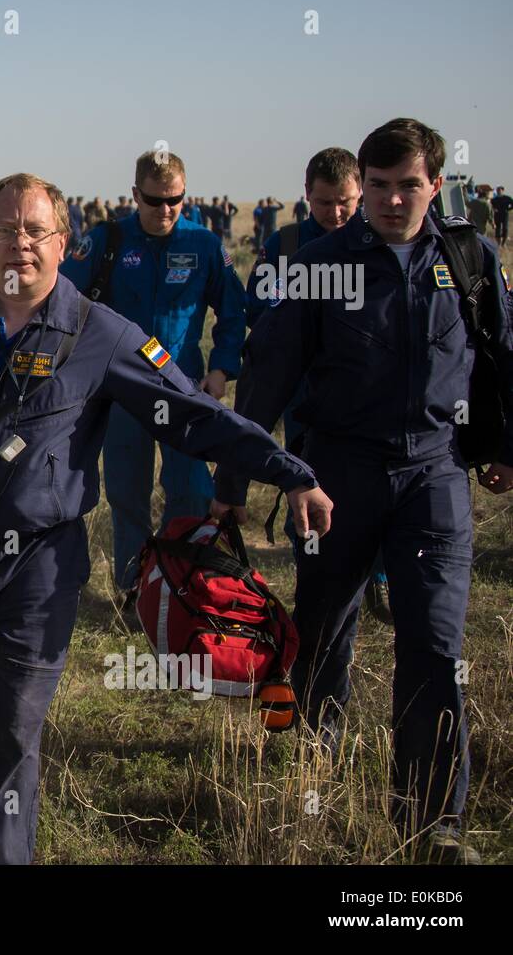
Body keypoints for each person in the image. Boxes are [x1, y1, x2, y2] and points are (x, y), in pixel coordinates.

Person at [0, 172, 330, 864]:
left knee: (11, 730)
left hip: (37, 570)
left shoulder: (101, 335)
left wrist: (289, 471)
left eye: (35, 230)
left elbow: (195, 416)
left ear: (62, 240)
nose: (19, 244)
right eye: (3, 229)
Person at [215, 118, 513, 863]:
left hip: (435, 476)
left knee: (435, 645)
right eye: (377, 186)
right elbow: (269, 377)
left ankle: (433, 823)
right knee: (321, 629)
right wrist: (232, 481)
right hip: (336, 476)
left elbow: (503, 356)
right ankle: (318, 758)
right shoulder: (318, 265)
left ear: (435, 185)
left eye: (407, 184)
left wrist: (504, 446)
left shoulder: (470, 258)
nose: (389, 200)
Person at [60, 149, 247, 606]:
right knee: (126, 493)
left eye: (175, 200)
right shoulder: (107, 241)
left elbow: (233, 310)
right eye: (154, 200)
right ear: (135, 194)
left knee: (191, 488)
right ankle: (134, 586)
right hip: (123, 390)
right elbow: (64, 296)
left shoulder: (204, 246)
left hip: (184, 389)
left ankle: (179, 578)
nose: (165, 210)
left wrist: (222, 368)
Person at [245, 147, 392, 624]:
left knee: (382, 492)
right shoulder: (286, 247)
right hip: (305, 397)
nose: (336, 213)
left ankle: (381, 579)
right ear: (306, 196)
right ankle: (314, 571)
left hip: (369, 396)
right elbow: (260, 315)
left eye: (346, 202)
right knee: (305, 482)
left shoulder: (381, 244)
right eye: (325, 202)